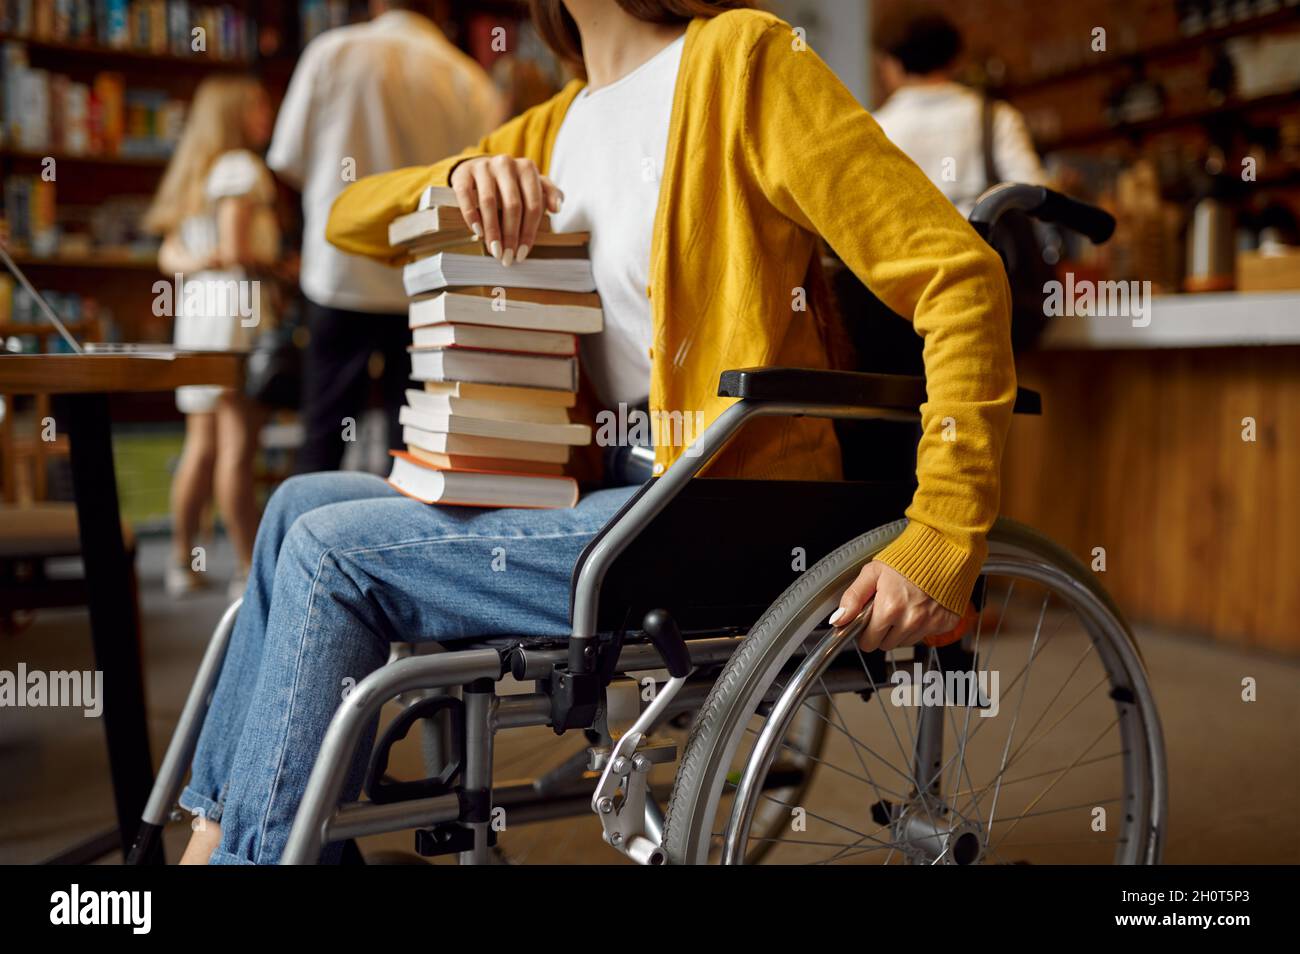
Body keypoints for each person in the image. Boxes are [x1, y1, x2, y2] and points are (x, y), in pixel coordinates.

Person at [178, 0, 1016, 865]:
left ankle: (245, 857)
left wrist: (945, 529)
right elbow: (345, 216)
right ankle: (222, 836)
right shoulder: (556, 123)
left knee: (333, 551)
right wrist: (463, 173)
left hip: (716, 500)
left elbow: (960, 276)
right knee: (297, 506)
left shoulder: (743, 59)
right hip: (603, 487)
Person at [266, 0, 505, 474]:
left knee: (324, 433)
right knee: (417, 440)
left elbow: (287, 161)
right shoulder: (469, 78)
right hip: (429, 284)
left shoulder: (332, 52)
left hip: (340, 273)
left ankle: (307, 539)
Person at [142, 76, 279, 600]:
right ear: (234, 114)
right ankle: (247, 568)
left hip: (198, 314)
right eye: (259, 104)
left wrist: (203, 261)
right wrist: (279, 263)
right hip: (234, 316)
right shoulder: (241, 169)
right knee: (238, 447)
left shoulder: (194, 175)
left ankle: (182, 560)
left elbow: (168, 256)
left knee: (200, 443)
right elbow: (237, 246)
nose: (267, 113)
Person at [871, 7, 1045, 215]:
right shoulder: (995, 117)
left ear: (893, 63)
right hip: (982, 244)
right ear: (953, 57)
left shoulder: (875, 129)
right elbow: (1034, 197)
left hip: (904, 245)